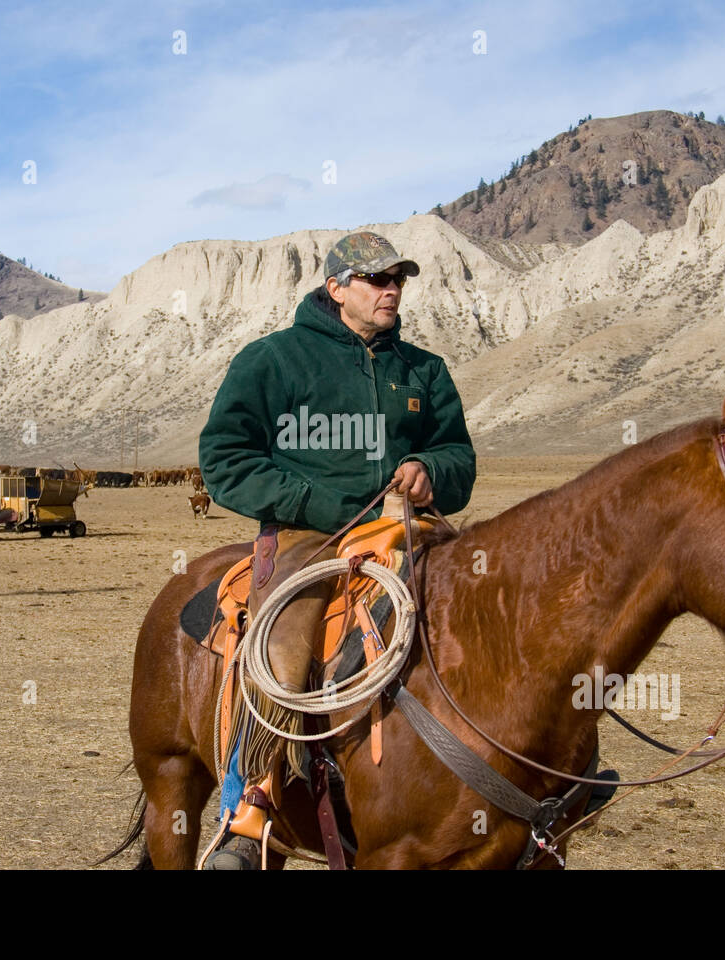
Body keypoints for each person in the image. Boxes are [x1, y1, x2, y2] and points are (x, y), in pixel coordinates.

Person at [197, 231, 477, 868]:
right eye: (376, 279)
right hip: (308, 534)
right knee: (288, 639)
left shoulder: (423, 369)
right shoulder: (272, 361)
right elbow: (225, 459)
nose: (390, 290)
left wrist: (430, 469)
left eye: (397, 279)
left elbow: (460, 457)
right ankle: (249, 810)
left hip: (408, 528)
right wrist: (315, 503)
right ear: (336, 289)